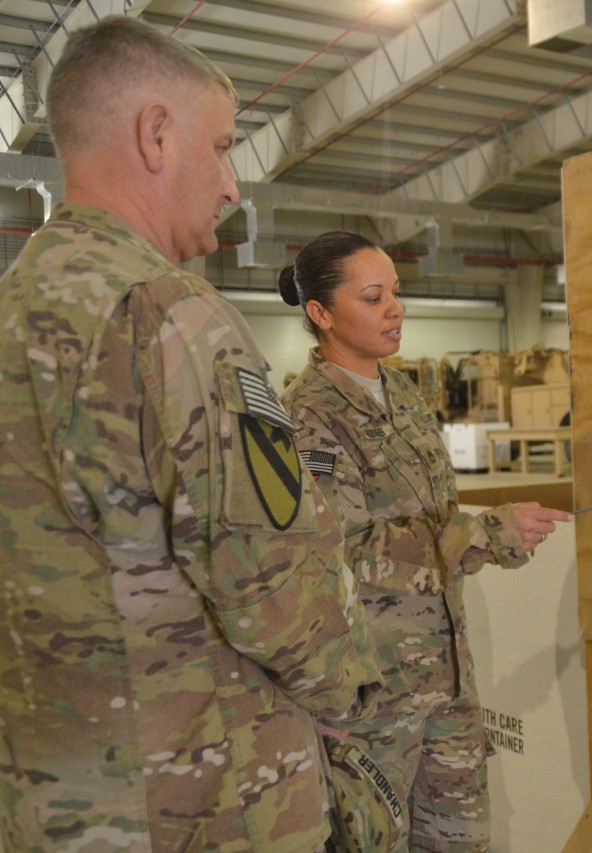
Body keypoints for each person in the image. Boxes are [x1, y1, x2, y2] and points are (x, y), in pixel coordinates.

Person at [0, 17, 382, 852]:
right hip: (204, 806)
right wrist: (354, 696)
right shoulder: (170, 316)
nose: (229, 184)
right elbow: (272, 575)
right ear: (156, 133)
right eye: (219, 147)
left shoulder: (13, 307)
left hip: (49, 805)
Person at [277, 231, 572, 851]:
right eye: (374, 296)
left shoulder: (404, 395)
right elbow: (343, 552)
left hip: (449, 686)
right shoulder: (307, 418)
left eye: (397, 294)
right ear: (320, 314)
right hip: (373, 701)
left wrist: (487, 534)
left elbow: (435, 517)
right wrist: (487, 531)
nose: (396, 309)